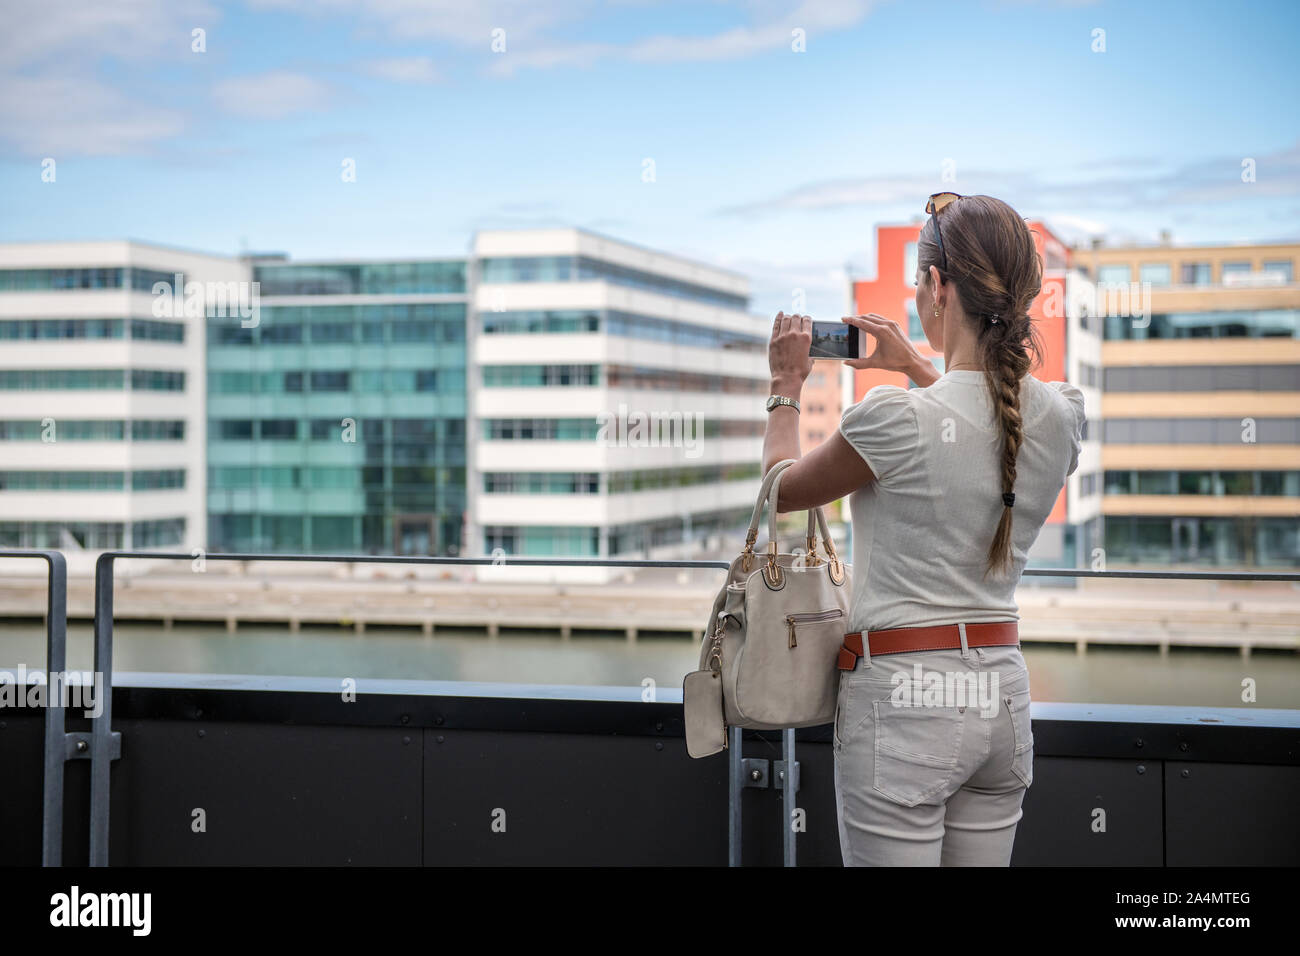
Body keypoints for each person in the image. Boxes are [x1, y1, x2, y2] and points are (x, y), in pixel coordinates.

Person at [761, 193, 1085, 866]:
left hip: (906, 701)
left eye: (919, 280)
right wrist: (915, 366)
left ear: (938, 286)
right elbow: (984, 425)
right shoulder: (1060, 416)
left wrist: (786, 386)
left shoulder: (894, 420)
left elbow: (781, 492)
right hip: (1001, 694)